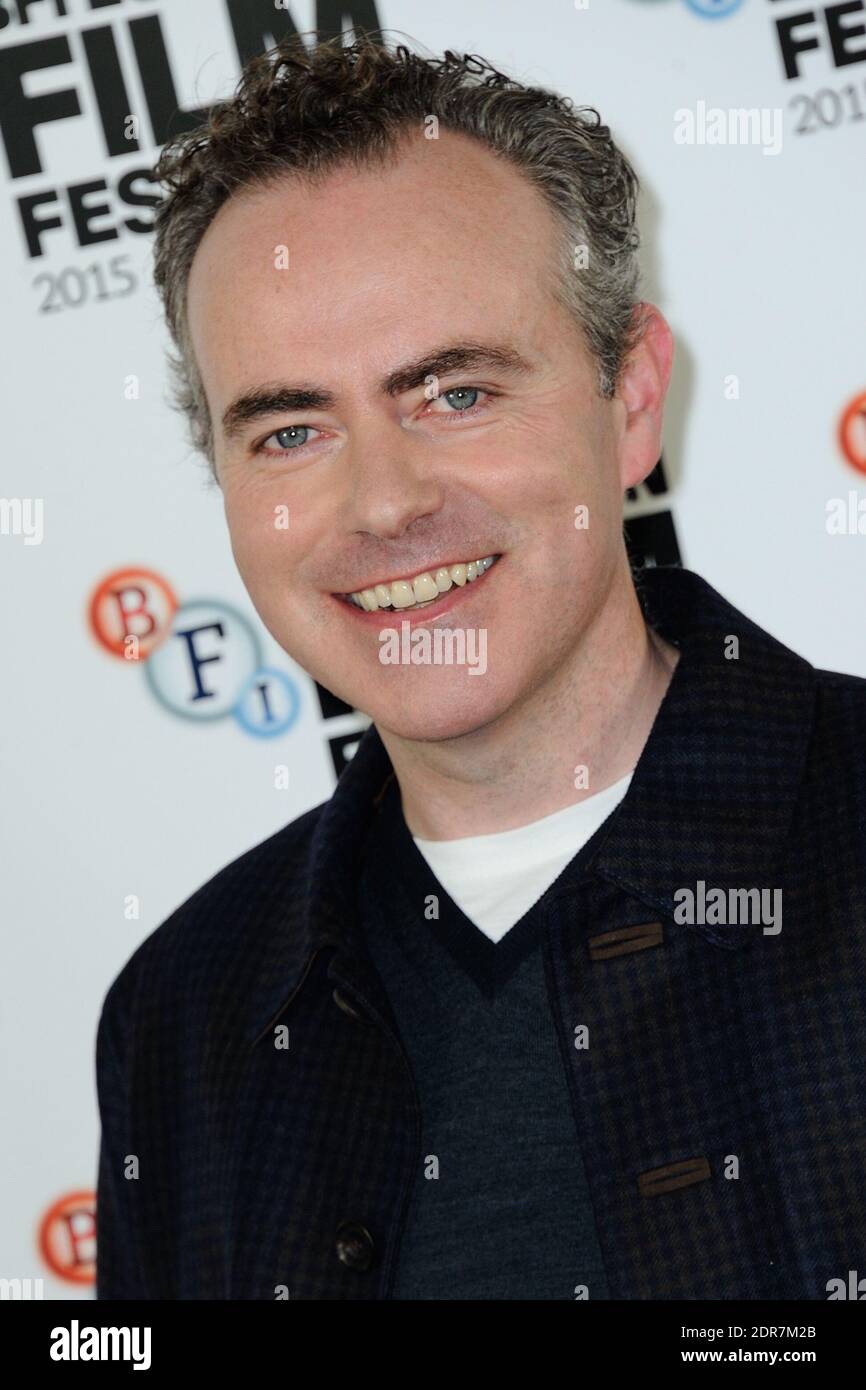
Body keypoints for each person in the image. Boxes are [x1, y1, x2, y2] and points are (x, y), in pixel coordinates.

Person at [95, 34, 866, 1300]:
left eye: (452, 393)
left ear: (627, 401)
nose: (383, 503)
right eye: (290, 429)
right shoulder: (187, 1016)